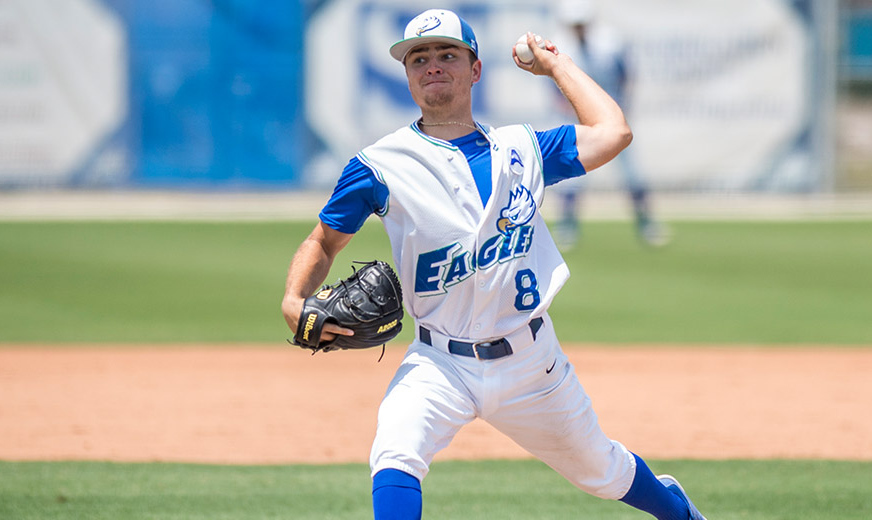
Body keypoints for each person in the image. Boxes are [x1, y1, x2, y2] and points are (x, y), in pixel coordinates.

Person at [280, 9, 705, 520]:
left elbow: (613, 132)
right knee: (396, 451)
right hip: (439, 360)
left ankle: (680, 513)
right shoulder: (379, 164)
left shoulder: (524, 149)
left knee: (604, 471)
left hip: (531, 363)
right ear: (408, 74)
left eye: (447, 54)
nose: (432, 65)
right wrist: (292, 298)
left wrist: (556, 65)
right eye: (419, 58)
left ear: (475, 69)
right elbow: (323, 241)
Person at [550, 0, 671, 250]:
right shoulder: (559, 46)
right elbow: (553, 89)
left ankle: (646, 224)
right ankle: (567, 226)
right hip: (576, 122)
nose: (579, 29)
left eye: (582, 24)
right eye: (574, 24)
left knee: (631, 174)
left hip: (610, 120)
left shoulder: (609, 42)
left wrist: (620, 109)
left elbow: (626, 76)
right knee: (572, 177)